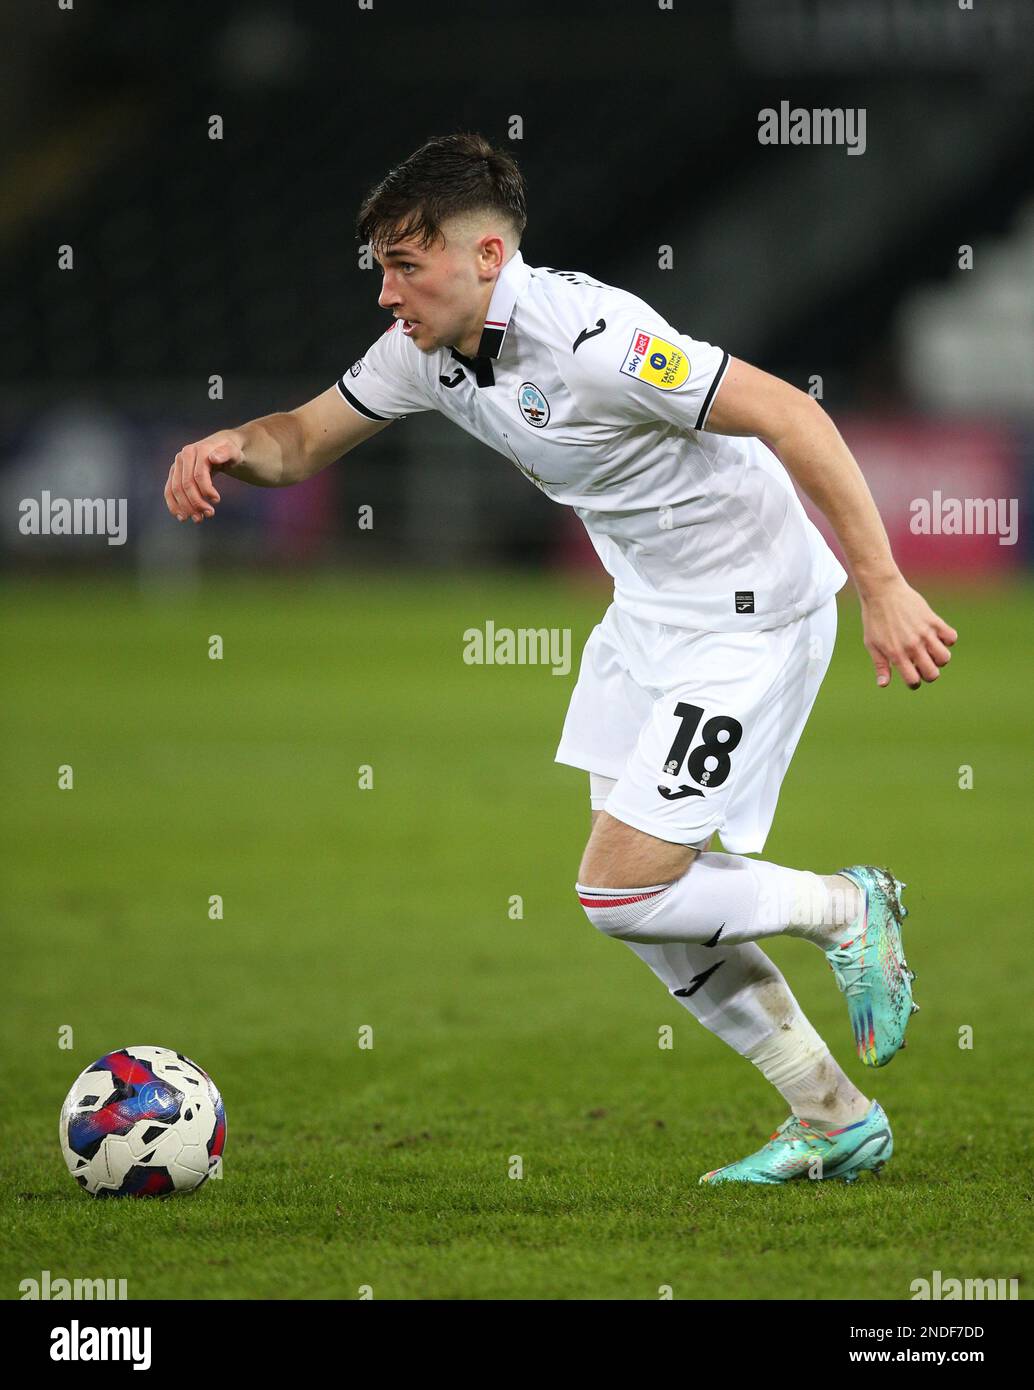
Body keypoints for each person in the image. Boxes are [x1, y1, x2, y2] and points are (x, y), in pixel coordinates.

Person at [164, 132, 957, 1184]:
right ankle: (829, 1111)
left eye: (407, 266)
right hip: (645, 617)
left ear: (487, 257)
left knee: (620, 891)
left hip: (749, 615)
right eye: (382, 269)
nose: (387, 293)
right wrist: (231, 446)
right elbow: (300, 440)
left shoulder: (596, 337)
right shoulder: (421, 352)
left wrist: (881, 582)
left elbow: (786, 411)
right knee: (655, 907)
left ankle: (845, 905)